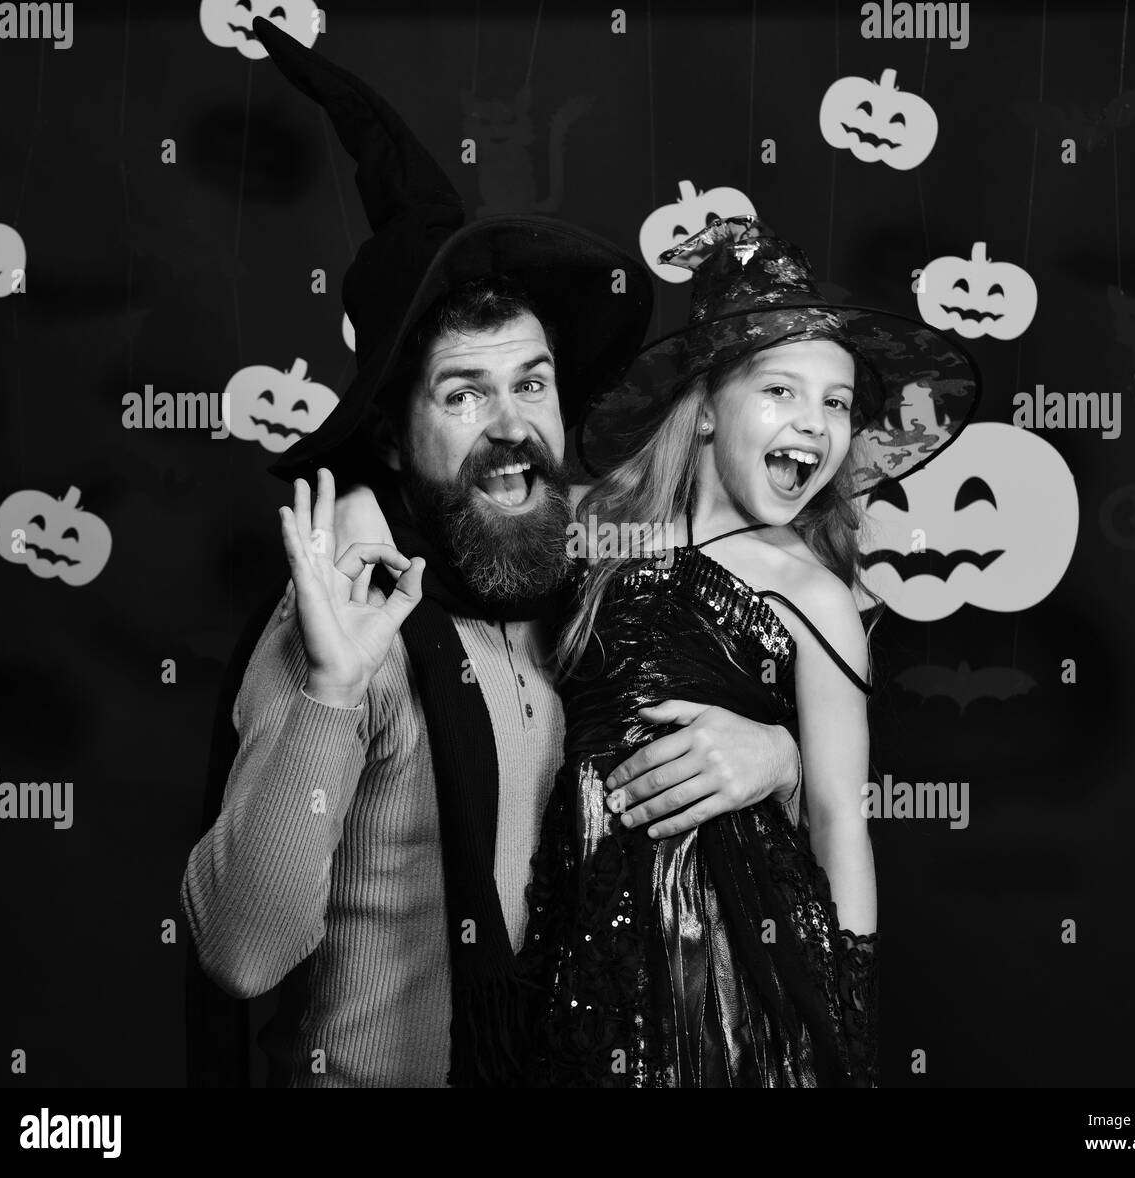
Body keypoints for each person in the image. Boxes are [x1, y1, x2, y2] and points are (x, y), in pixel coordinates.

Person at [181, 17, 805, 1089]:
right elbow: (242, 953)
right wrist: (330, 693)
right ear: (393, 433)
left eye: (530, 383)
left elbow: (719, 835)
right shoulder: (347, 616)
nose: (510, 424)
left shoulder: (599, 606)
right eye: (463, 393)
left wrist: (775, 760)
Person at [513, 215, 982, 1087]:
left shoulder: (814, 593)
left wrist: (846, 1014)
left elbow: (841, 819)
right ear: (702, 413)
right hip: (586, 939)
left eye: (836, 403)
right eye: (780, 391)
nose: (814, 423)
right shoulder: (596, 534)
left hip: (730, 960)